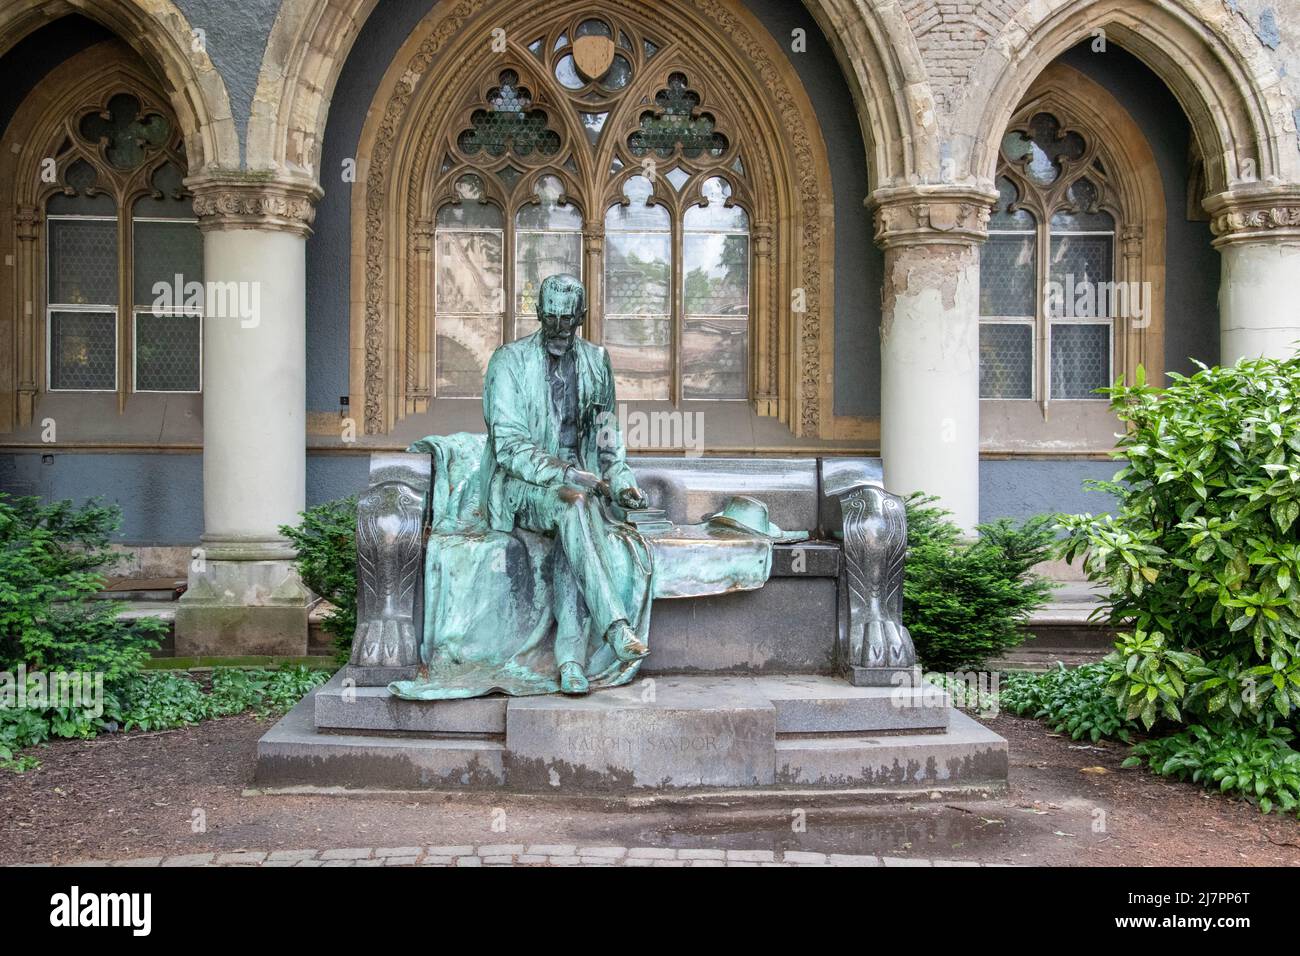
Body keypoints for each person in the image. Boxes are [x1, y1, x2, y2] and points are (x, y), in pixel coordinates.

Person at [479, 273, 650, 694]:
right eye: (551, 319)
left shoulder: (597, 360)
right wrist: (565, 473)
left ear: (581, 317)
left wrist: (622, 480)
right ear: (538, 313)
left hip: (580, 488)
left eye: (567, 321)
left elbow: (608, 438)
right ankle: (614, 625)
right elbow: (510, 446)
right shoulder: (508, 361)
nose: (558, 328)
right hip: (522, 484)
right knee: (573, 503)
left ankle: (571, 663)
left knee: (575, 512)